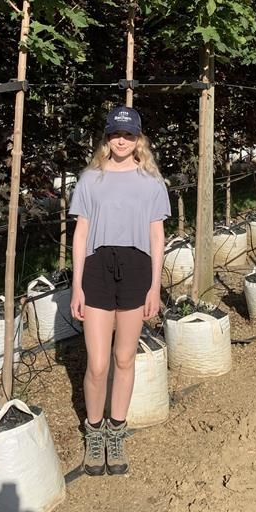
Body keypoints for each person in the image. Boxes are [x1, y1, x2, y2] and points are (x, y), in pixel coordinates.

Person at [68, 104, 170, 476]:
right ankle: (94, 432)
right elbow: (81, 235)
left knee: (124, 359)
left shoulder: (151, 181)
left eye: (128, 135)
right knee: (98, 364)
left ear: (138, 138)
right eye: (115, 134)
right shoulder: (90, 179)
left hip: (136, 269)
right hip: (97, 268)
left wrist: (155, 286)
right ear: (107, 137)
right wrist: (77, 286)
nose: (121, 141)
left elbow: (157, 237)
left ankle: (116, 432)